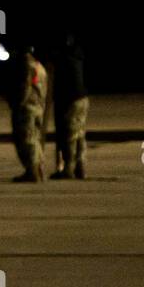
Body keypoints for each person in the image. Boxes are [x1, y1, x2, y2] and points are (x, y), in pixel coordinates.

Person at [50, 33, 89, 180]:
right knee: (79, 135)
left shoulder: (64, 59)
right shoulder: (77, 57)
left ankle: (68, 169)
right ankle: (80, 167)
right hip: (81, 98)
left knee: (69, 136)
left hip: (71, 99)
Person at [9, 43, 47, 182]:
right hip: (37, 106)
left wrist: (18, 104)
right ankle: (38, 168)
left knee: (27, 139)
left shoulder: (26, 65)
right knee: (35, 139)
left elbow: (24, 86)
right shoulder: (39, 65)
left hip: (27, 108)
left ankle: (32, 171)